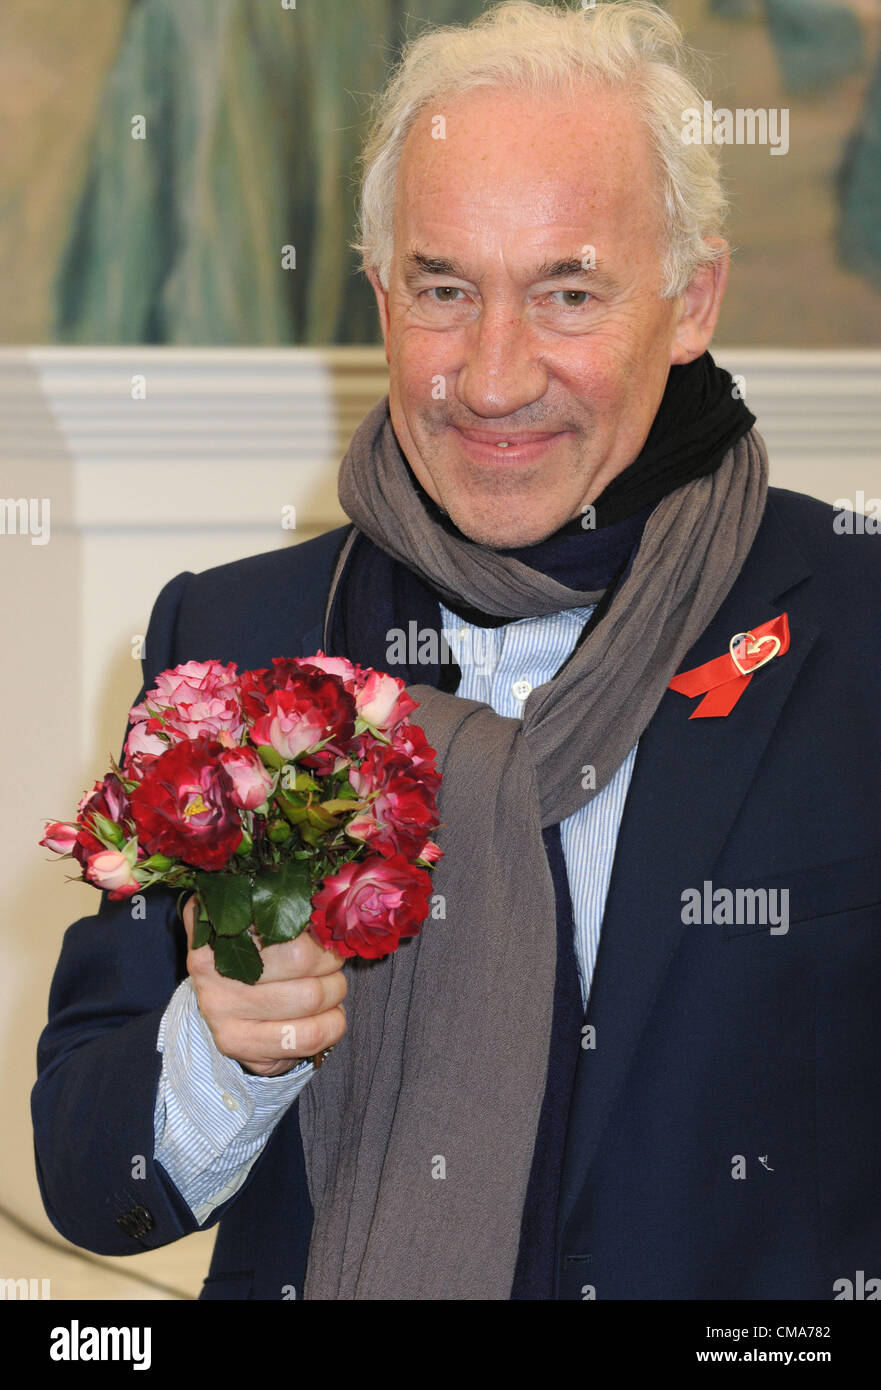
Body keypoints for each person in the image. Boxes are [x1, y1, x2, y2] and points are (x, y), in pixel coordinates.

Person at [32, 1, 881, 1301]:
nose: (491, 379)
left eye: (567, 292)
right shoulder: (236, 635)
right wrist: (226, 1052)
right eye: (442, 289)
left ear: (690, 298)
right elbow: (97, 1182)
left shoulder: (854, 619)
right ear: (380, 294)